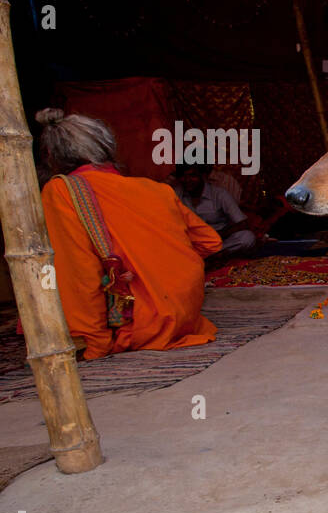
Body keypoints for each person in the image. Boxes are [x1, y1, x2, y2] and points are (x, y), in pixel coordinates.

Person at [34, 109, 221, 360]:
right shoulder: (157, 189)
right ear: (107, 147)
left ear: (50, 156)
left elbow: (79, 274)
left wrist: (95, 344)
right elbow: (211, 242)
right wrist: (159, 270)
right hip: (186, 320)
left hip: (136, 325)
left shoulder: (60, 190)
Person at [174, 163, 257, 259]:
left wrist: (215, 236)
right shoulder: (175, 193)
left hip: (218, 241)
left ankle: (209, 256)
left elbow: (243, 223)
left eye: (192, 176)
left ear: (203, 176)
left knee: (247, 237)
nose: (187, 180)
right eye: (183, 176)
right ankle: (208, 256)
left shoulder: (219, 194)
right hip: (190, 242)